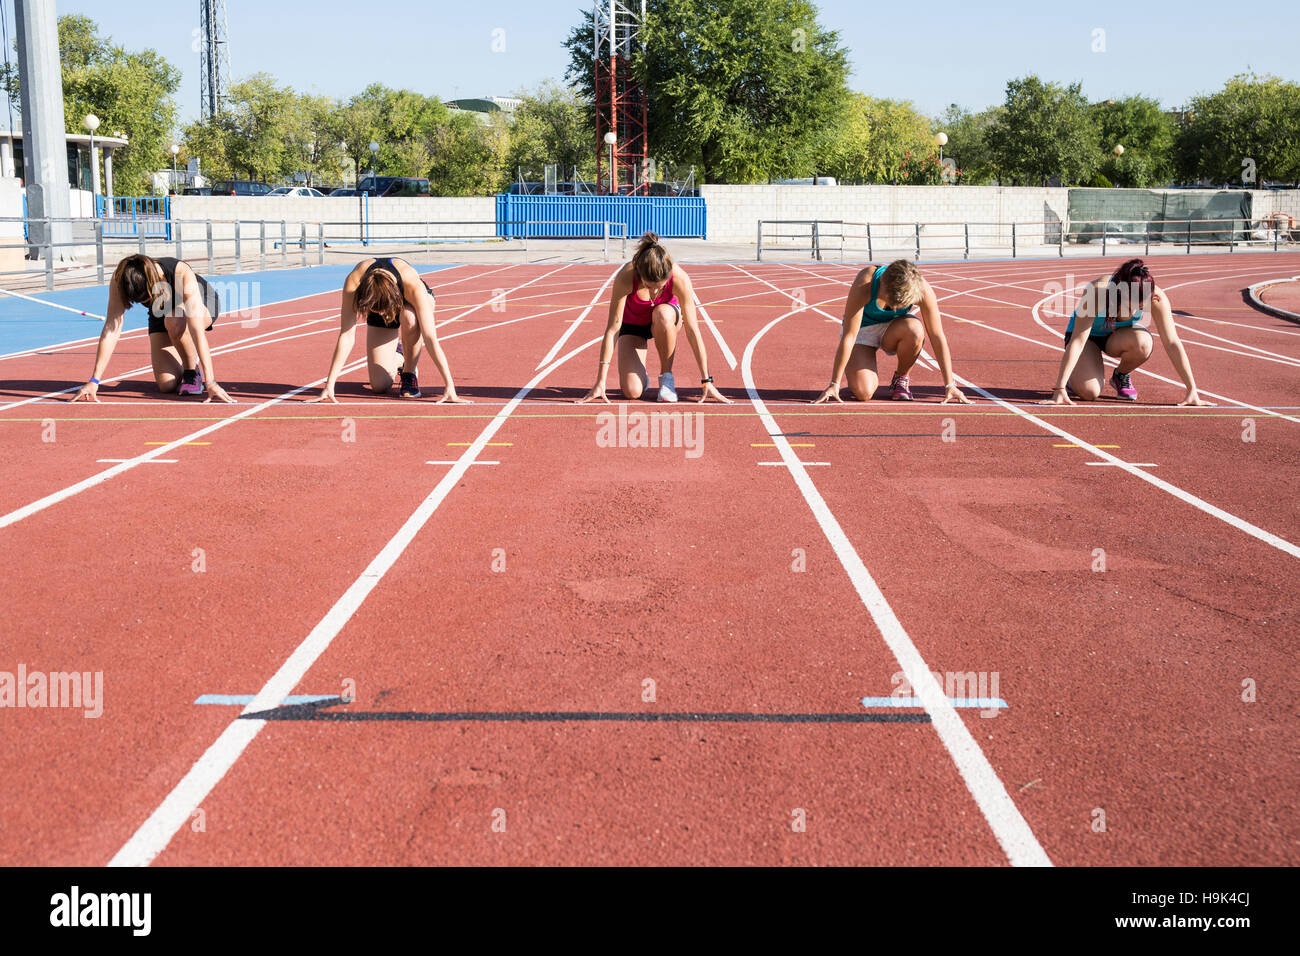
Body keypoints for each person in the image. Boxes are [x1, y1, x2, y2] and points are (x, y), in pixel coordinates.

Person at [577, 233, 731, 404]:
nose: (655, 293)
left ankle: (667, 379)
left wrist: (706, 381)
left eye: (661, 287)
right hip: (633, 324)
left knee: (662, 313)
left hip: (666, 318)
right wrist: (601, 381)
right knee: (631, 392)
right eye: (649, 286)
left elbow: (693, 330)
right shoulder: (626, 276)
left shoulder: (680, 278)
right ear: (640, 275)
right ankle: (643, 378)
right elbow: (613, 329)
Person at [1045, 258, 1210, 406]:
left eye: (1141, 306)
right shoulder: (1097, 292)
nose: (1138, 309)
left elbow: (1172, 342)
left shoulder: (1154, 297)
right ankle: (1073, 379)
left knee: (1143, 343)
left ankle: (1120, 375)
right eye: (1132, 306)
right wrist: (1059, 388)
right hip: (1087, 338)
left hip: (1117, 337)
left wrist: (1191, 389)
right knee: (1090, 393)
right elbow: (1078, 340)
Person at [69, 254, 232, 403]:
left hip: (200, 302)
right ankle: (184, 355)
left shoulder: (179, 271)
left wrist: (211, 382)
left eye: (146, 298)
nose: (143, 302)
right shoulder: (120, 279)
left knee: (175, 318)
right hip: (160, 310)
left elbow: (196, 329)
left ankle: (191, 373)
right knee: (166, 385)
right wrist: (94, 380)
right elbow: (112, 329)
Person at [812, 258, 969, 404]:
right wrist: (834, 383)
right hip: (862, 331)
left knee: (915, 329)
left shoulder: (922, 290)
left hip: (894, 329)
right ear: (883, 285)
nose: (894, 308)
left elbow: (937, 336)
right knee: (863, 393)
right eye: (892, 302)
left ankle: (901, 378)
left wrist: (950, 384)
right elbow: (849, 336)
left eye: (899, 305)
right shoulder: (865, 282)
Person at [311, 256, 465, 403]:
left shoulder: (410, 282)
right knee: (379, 386)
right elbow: (346, 334)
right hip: (381, 299)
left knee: (409, 317)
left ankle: (409, 373)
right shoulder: (354, 281)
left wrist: (449, 385)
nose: (383, 314)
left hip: (408, 305)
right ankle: (400, 356)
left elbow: (430, 338)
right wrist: (329, 385)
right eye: (376, 310)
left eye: (383, 310)